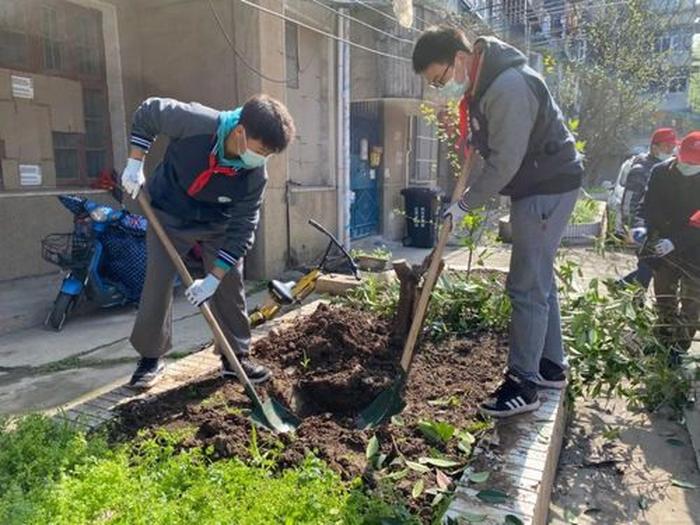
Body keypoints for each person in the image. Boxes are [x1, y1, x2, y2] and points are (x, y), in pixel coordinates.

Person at [412, 27, 584, 418]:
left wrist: (465, 205)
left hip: (545, 186)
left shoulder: (506, 86)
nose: (443, 86)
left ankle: (523, 384)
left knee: (525, 285)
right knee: (539, 277)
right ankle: (550, 366)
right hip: (541, 183)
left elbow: (504, 163)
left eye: (440, 77)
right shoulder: (487, 83)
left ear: (459, 57)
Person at [121, 96, 295, 389]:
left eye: (269, 155)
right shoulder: (195, 122)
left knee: (229, 284)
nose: (262, 159)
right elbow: (148, 112)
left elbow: (243, 229)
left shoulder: (254, 175)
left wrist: (213, 279)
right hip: (169, 211)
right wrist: (134, 163)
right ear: (240, 131)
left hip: (219, 223)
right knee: (158, 281)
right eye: (261, 150)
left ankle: (235, 357)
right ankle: (150, 358)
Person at [635, 131, 700, 356]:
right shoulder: (660, 172)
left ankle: (678, 349)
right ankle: (662, 341)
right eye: (686, 161)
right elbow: (647, 203)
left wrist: (675, 242)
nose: (688, 166)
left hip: (695, 249)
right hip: (664, 247)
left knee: (692, 304)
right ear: (678, 152)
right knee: (664, 297)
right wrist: (641, 225)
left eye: (695, 164)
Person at [618, 128, 678, 289]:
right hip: (642, 227)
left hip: (656, 227)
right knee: (648, 268)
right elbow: (629, 202)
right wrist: (632, 229)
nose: (671, 150)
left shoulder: (665, 167)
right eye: (667, 146)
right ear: (654, 147)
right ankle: (621, 288)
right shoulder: (641, 169)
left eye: (672, 146)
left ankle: (628, 295)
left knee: (648, 267)